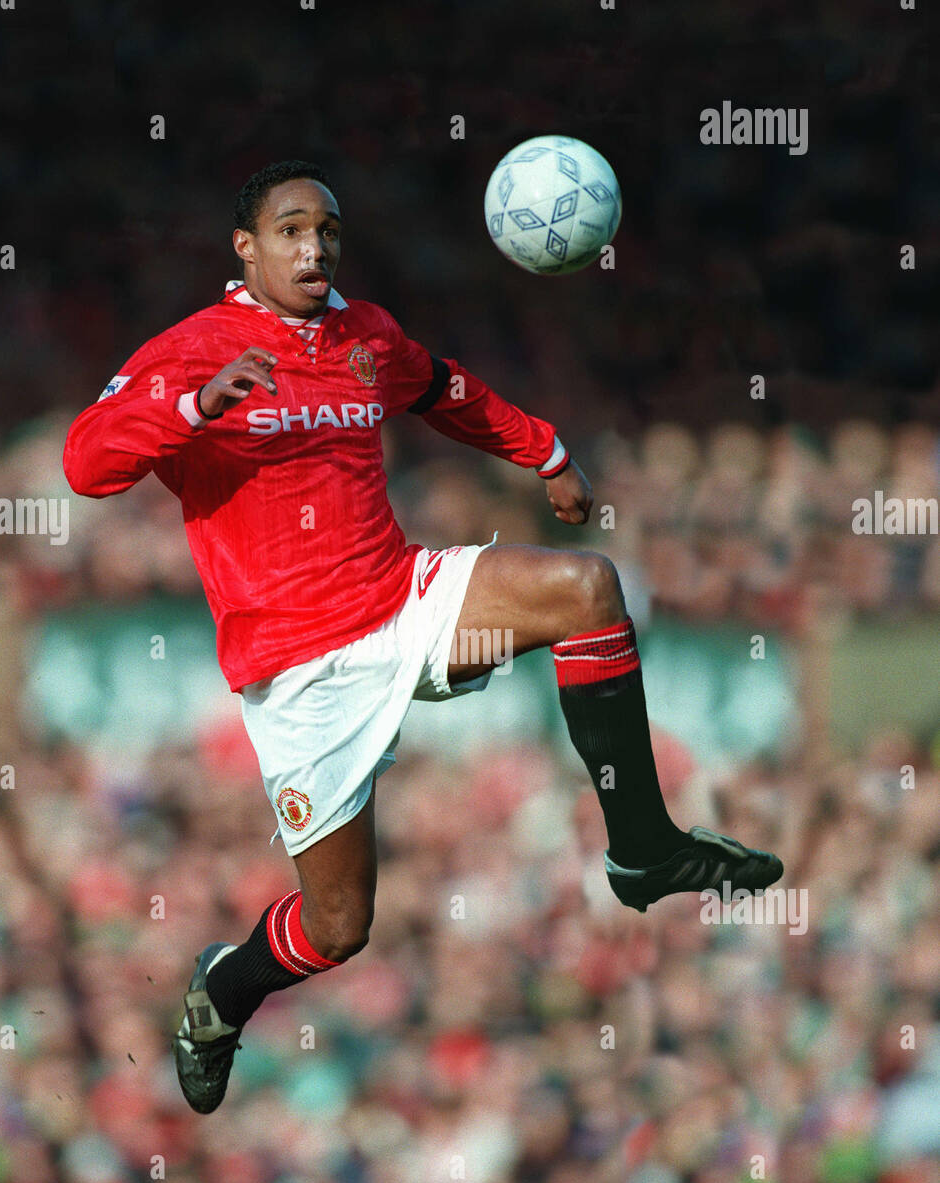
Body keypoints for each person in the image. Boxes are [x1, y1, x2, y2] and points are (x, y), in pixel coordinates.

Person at [63, 160, 782, 1114]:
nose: (313, 248)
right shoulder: (194, 350)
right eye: (290, 231)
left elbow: (442, 388)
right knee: (337, 924)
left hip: (403, 600)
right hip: (300, 665)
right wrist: (195, 407)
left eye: (326, 230)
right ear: (246, 247)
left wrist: (546, 451)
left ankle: (643, 848)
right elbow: (85, 461)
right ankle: (223, 994)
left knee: (588, 588)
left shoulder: (363, 334)